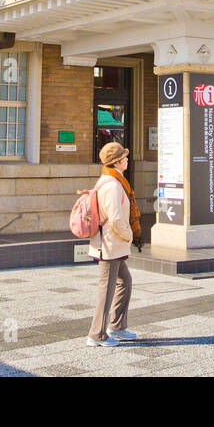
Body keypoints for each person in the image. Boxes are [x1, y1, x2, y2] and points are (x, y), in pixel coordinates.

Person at [86, 142, 141, 346]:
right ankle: (96, 335)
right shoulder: (112, 184)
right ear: (117, 162)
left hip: (113, 245)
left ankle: (117, 327)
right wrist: (129, 235)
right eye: (124, 157)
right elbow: (116, 219)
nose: (127, 159)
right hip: (109, 245)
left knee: (124, 281)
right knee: (106, 289)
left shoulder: (114, 181)